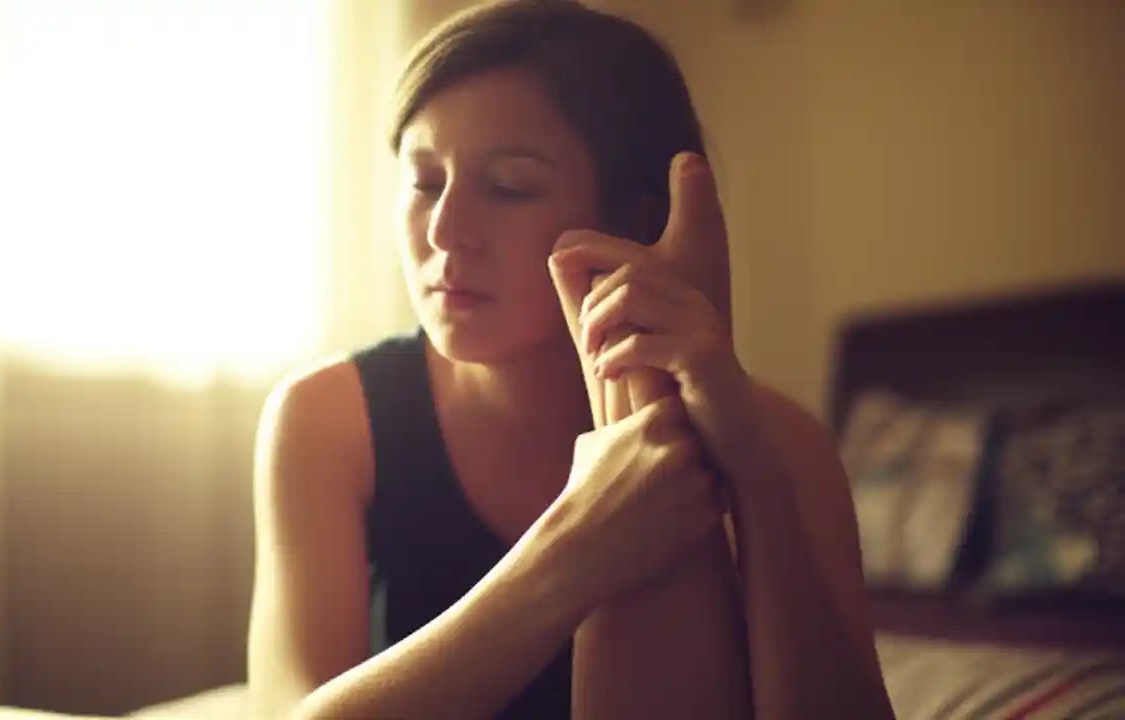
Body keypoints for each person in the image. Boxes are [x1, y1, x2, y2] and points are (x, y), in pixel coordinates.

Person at [247, 1, 894, 718]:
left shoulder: (781, 438)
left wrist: (750, 471)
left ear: (635, 219)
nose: (445, 230)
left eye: (509, 188)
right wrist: (575, 552)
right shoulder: (329, 421)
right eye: (425, 182)